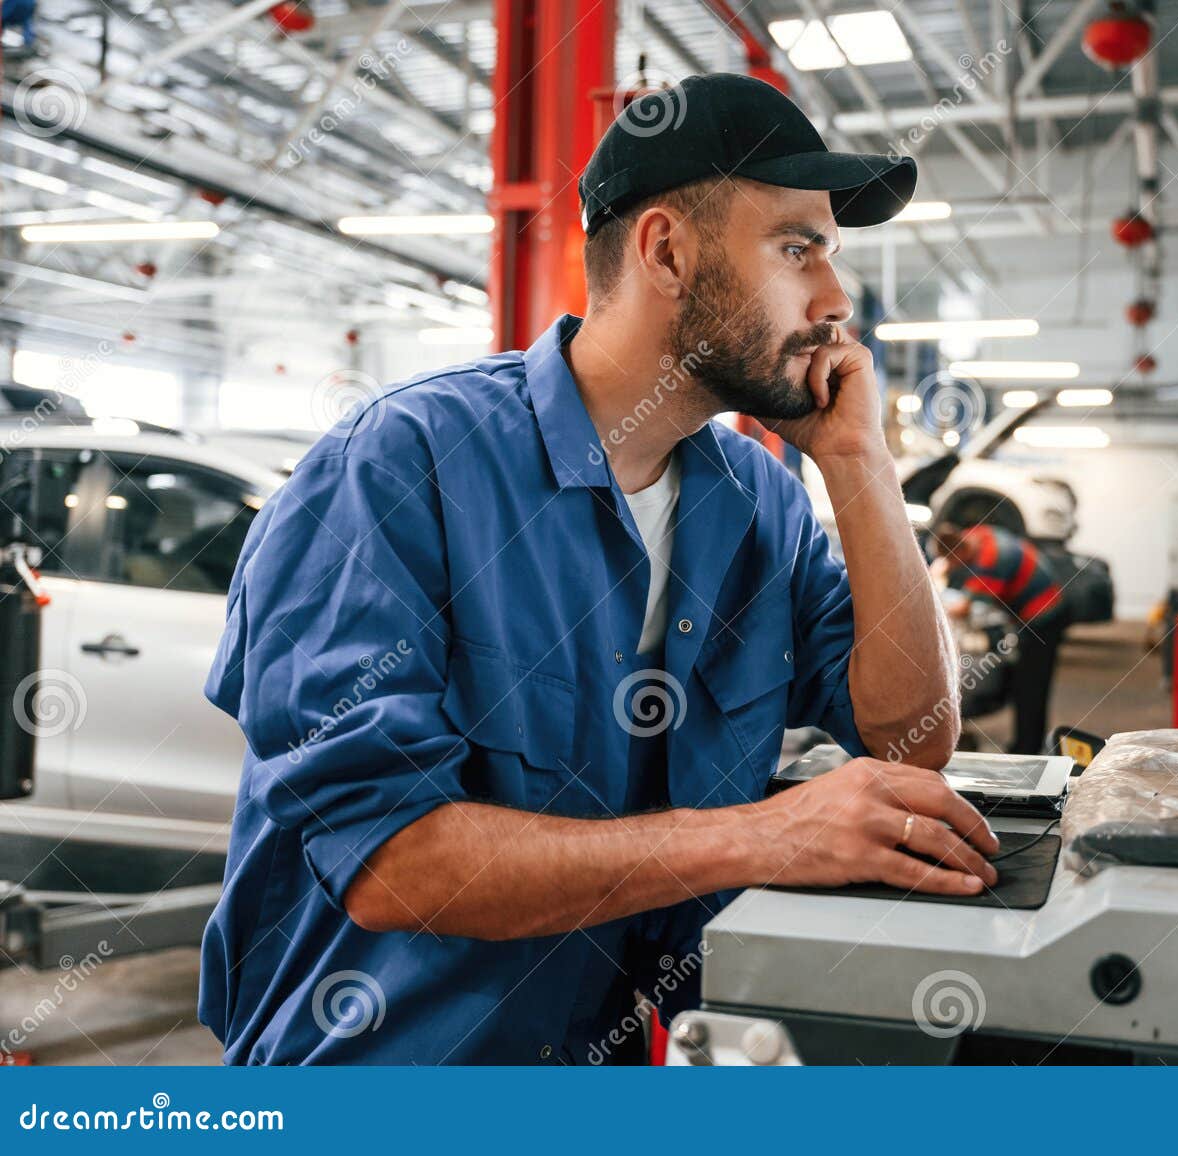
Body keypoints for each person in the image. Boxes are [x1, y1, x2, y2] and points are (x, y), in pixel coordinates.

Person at [199, 73, 999, 1065]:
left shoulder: (759, 502)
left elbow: (909, 737)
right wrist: (767, 833)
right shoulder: (403, 465)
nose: (835, 299)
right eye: (797, 249)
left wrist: (861, 463)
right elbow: (393, 861)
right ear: (666, 250)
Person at [932, 520, 1071, 755]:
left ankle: (1027, 751)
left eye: (953, 562)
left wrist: (931, 605)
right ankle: (1023, 746)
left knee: (1031, 687)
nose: (952, 568)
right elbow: (942, 564)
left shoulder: (993, 561)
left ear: (961, 551)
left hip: (1043, 617)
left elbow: (965, 608)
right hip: (1031, 610)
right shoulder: (974, 534)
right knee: (1024, 683)